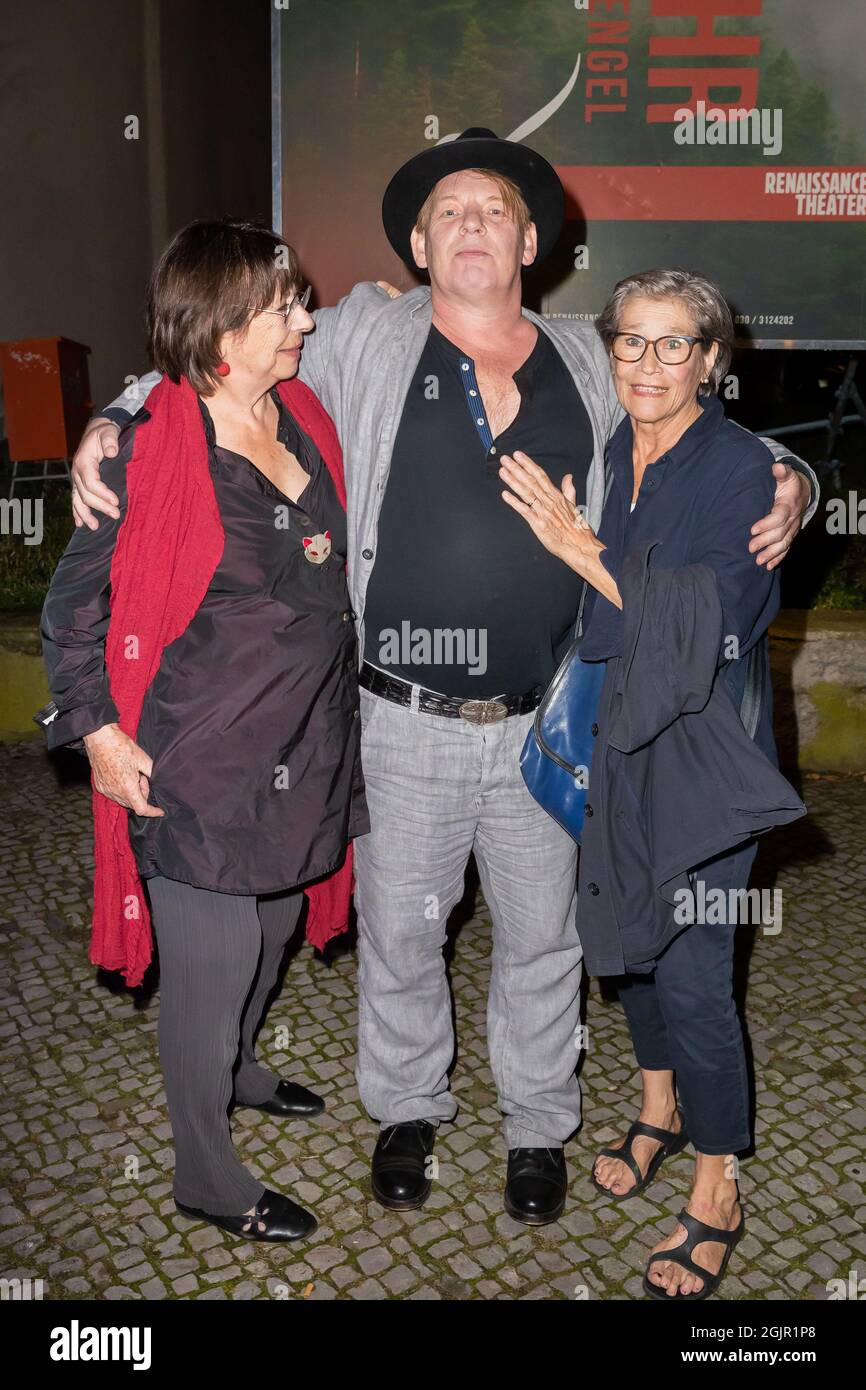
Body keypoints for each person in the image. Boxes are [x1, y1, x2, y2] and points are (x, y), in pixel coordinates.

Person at [69, 131, 816, 1227]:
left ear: (530, 238)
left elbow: (701, 429)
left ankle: (533, 1123)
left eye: (494, 210)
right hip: (397, 715)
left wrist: (791, 479)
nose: (471, 224)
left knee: (542, 935)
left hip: (544, 717)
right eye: (449, 212)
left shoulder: (588, 358)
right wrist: (113, 414)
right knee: (403, 932)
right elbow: (209, 356)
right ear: (419, 244)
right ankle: (407, 1107)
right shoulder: (362, 334)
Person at [41, 219, 368, 1242]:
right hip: (197, 759)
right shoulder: (148, 450)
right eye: (285, 307)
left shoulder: (305, 410)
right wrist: (95, 734)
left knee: (273, 923)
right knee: (214, 959)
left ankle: (238, 1064)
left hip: (306, 743)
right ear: (223, 328)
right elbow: (72, 612)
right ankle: (205, 1172)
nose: (306, 320)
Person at [498, 267, 806, 1297]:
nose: (647, 364)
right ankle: (657, 1107)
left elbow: (707, 617)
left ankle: (717, 1182)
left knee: (693, 974)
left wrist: (579, 550)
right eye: (630, 341)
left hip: (704, 757)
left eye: (674, 344)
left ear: (711, 361)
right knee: (623, 941)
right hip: (617, 746)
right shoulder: (611, 450)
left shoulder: (738, 472)